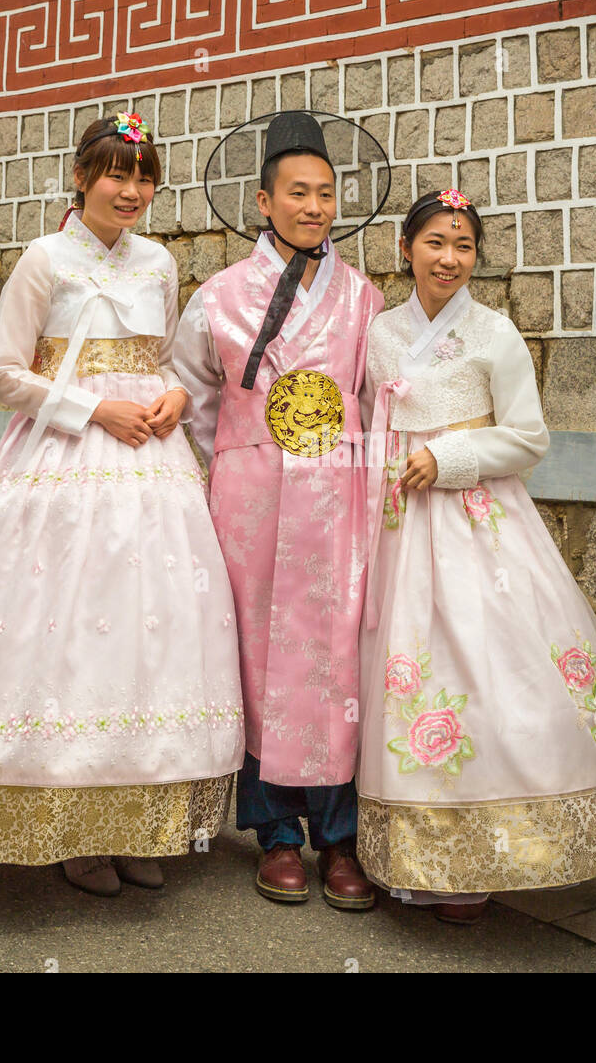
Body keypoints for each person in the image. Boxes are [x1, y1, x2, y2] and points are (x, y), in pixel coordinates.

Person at [0, 111, 245, 897]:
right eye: (116, 174)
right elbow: (3, 373)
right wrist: (92, 411)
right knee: (65, 629)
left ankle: (134, 822)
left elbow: (163, 360)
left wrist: (167, 398)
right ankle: (68, 827)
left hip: (151, 461)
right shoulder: (43, 260)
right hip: (63, 454)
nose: (131, 190)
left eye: (144, 175)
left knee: (149, 630)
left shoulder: (159, 262)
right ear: (82, 178)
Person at [357, 189, 596, 924]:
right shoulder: (380, 332)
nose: (449, 259)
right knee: (411, 669)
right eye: (435, 243)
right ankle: (420, 851)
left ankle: (496, 847)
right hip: (396, 520)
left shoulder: (494, 333)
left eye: (463, 247)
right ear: (405, 249)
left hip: (474, 517)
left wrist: (448, 456)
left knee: (487, 664)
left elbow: (527, 437)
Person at [173, 110, 386, 910]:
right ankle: (277, 834)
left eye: (326, 194)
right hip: (252, 499)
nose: (315, 207)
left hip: (338, 496)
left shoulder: (363, 298)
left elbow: (373, 396)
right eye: (297, 193)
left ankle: (340, 835)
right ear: (263, 201)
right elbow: (193, 393)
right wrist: (244, 450)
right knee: (260, 654)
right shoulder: (218, 295)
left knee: (334, 656)